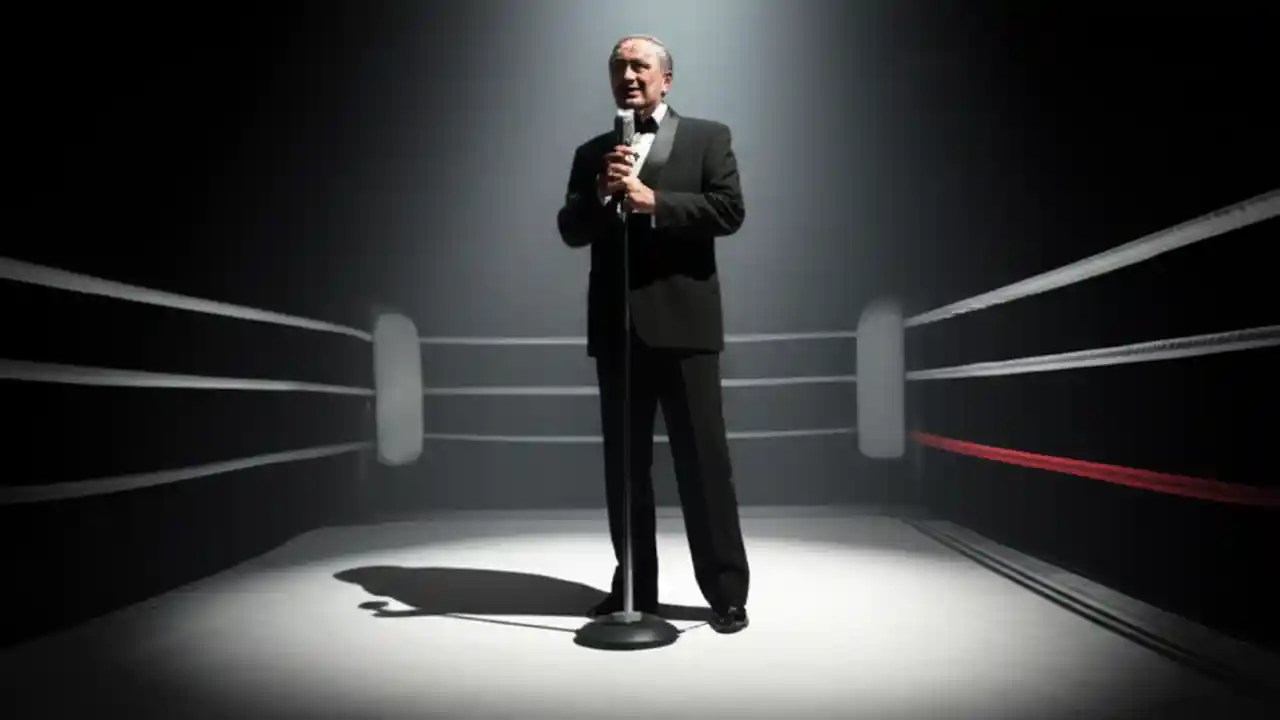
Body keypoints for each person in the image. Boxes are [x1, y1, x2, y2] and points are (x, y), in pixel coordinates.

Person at [556, 35, 749, 634]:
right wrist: (600, 194)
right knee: (625, 470)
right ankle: (634, 588)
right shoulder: (594, 152)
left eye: (640, 66)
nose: (628, 76)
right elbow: (569, 229)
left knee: (703, 465)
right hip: (617, 331)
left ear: (666, 79)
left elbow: (729, 211)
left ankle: (725, 594)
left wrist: (654, 201)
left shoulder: (707, 137)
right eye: (619, 68)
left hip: (686, 328)